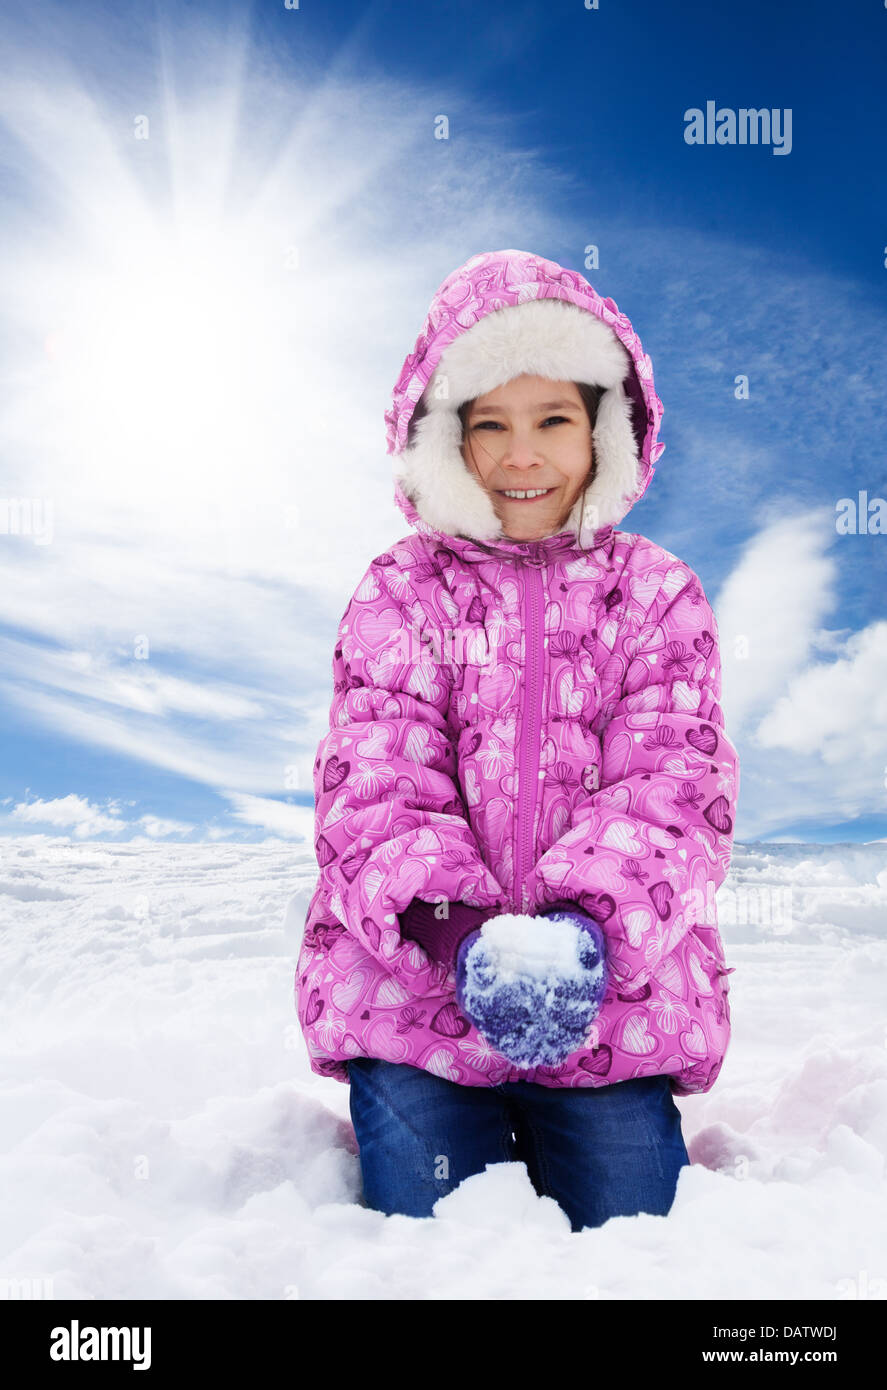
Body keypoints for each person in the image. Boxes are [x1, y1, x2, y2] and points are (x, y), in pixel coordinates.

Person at [294, 249, 739, 1232]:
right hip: (416, 1010)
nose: (520, 456)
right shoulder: (403, 590)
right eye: (487, 424)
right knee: (435, 1245)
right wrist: (457, 936)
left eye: (551, 421)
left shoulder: (654, 593)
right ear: (446, 437)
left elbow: (673, 782)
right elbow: (373, 779)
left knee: (634, 1241)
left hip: (606, 1014)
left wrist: (583, 936)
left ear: (602, 429)